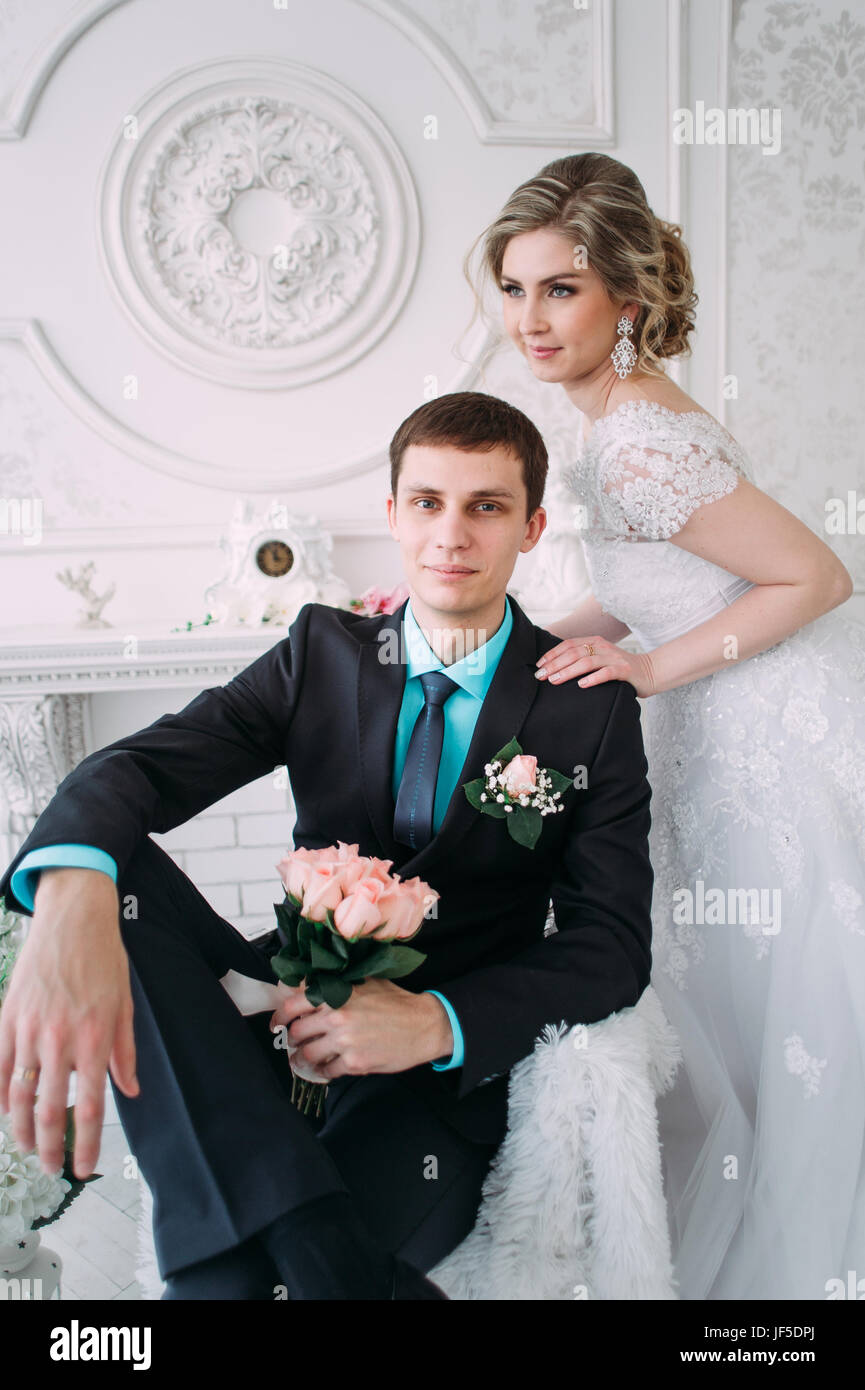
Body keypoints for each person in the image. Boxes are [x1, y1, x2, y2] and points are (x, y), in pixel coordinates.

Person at [0, 390, 654, 1300]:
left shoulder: (585, 706)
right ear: (392, 515)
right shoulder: (321, 653)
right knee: (115, 868)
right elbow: (140, 769)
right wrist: (69, 896)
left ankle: (266, 1258)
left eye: (486, 506)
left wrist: (433, 1025)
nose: (451, 535)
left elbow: (611, 945)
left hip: (431, 1088)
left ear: (532, 527)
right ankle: (317, 1243)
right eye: (426, 502)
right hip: (275, 1023)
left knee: (240, 1282)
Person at [466, 150, 865, 1300]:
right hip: (715, 710)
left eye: (560, 289)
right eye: (513, 287)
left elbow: (812, 579)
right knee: (736, 1031)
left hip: (762, 740)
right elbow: (667, 582)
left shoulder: (636, 437)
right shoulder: (603, 425)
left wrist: (639, 673)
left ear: (624, 300)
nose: (530, 319)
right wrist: (528, 640)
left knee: (783, 1028)